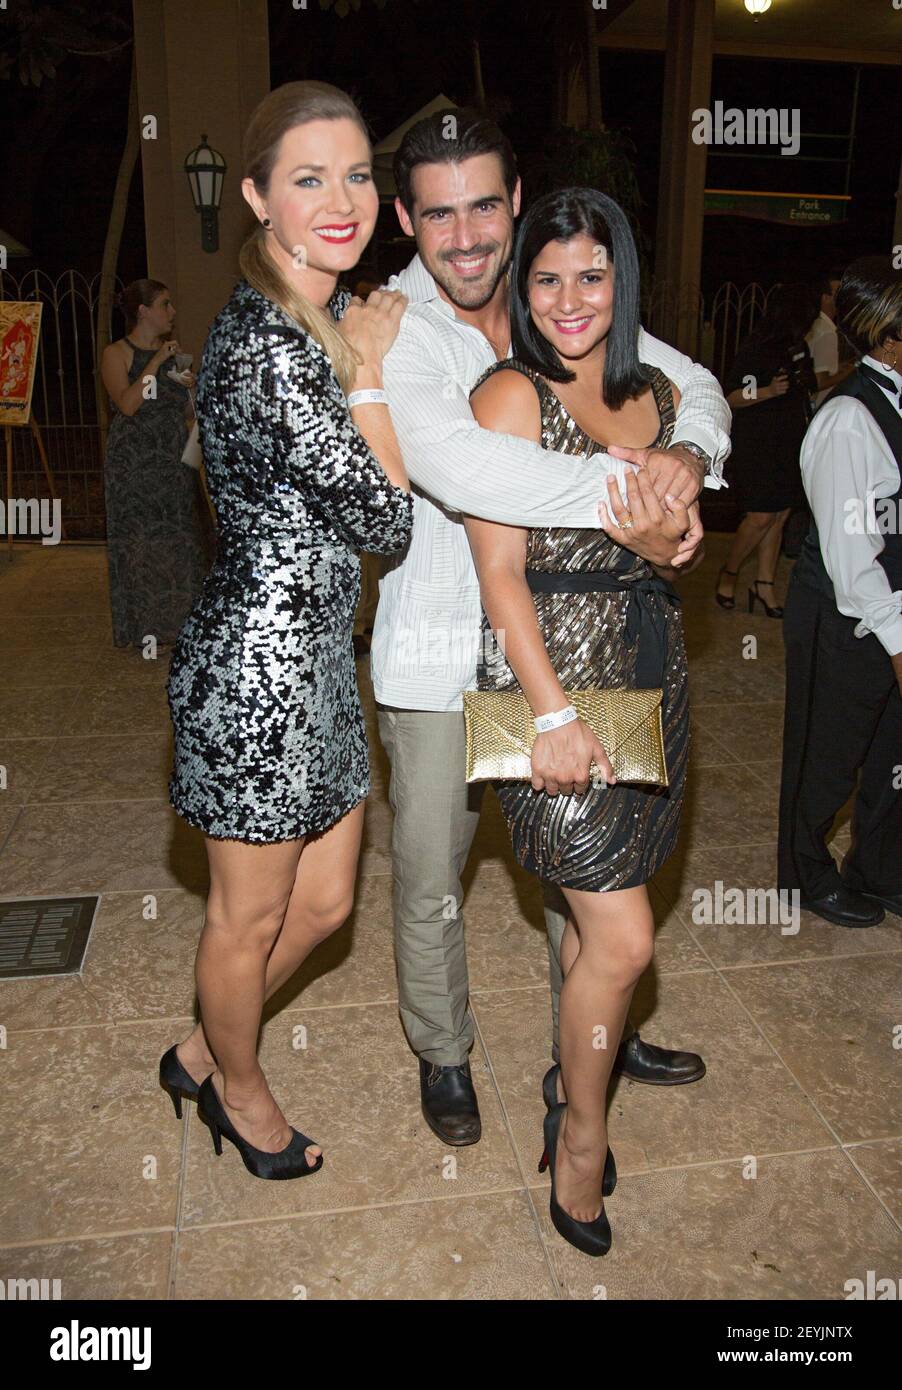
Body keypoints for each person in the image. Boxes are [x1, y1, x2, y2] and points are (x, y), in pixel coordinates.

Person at [372, 108, 731, 1149]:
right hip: (449, 648)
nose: (466, 234)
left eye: (484, 203)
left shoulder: (550, 292)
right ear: (407, 218)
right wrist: (644, 492)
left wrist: (689, 455)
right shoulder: (391, 324)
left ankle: (587, 1043)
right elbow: (465, 470)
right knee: (436, 872)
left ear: (515, 200)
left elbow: (688, 386)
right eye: (438, 214)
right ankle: (443, 1050)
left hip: (575, 637)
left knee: (581, 869)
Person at [162, 82, 414, 1180]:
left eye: (356, 172)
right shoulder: (275, 345)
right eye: (308, 177)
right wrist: (364, 373)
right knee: (246, 920)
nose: (340, 197)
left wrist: (349, 353)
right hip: (252, 676)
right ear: (257, 196)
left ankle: (199, 1046)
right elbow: (385, 516)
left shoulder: (307, 321)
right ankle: (238, 1086)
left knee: (326, 902)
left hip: (311, 662)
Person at [463, 187, 702, 1255]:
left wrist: (669, 546)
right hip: (545, 687)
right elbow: (497, 575)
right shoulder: (508, 397)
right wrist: (550, 715)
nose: (568, 299)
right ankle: (577, 1138)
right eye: (547, 276)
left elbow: (667, 550)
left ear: (622, 284)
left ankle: (580, 1066)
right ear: (522, 284)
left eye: (591, 276)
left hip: (650, 677)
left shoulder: (651, 396)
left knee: (600, 941)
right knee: (622, 934)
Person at [778, 255, 902, 929]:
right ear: (885, 340)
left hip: (889, 609)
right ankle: (802, 876)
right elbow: (853, 560)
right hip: (846, 612)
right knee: (827, 754)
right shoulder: (849, 420)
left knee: (890, 752)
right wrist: (898, 639)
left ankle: (879, 870)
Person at [100, 280, 210, 649]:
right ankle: (146, 630)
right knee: (140, 547)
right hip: (134, 465)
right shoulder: (117, 353)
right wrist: (157, 362)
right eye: (165, 304)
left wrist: (190, 389)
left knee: (180, 541)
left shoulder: (173, 356)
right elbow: (128, 404)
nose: (173, 312)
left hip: (172, 461)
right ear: (143, 311)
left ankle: (183, 628)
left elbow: (186, 414)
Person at [716, 284, 818, 617]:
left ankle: (764, 584)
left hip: (788, 438)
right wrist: (769, 390)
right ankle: (729, 574)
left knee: (780, 514)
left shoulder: (797, 347)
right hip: (757, 441)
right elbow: (730, 396)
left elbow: (808, 387)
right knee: (760, 515)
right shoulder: (756, 348)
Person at [806, 268, 853, 409]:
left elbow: (817, 366)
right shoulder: (827, 331)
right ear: (825, 298)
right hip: (819, 404)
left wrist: (840, 367)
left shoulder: (817, 324)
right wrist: (849, 373)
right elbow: (820, 381)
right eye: (838, 293)